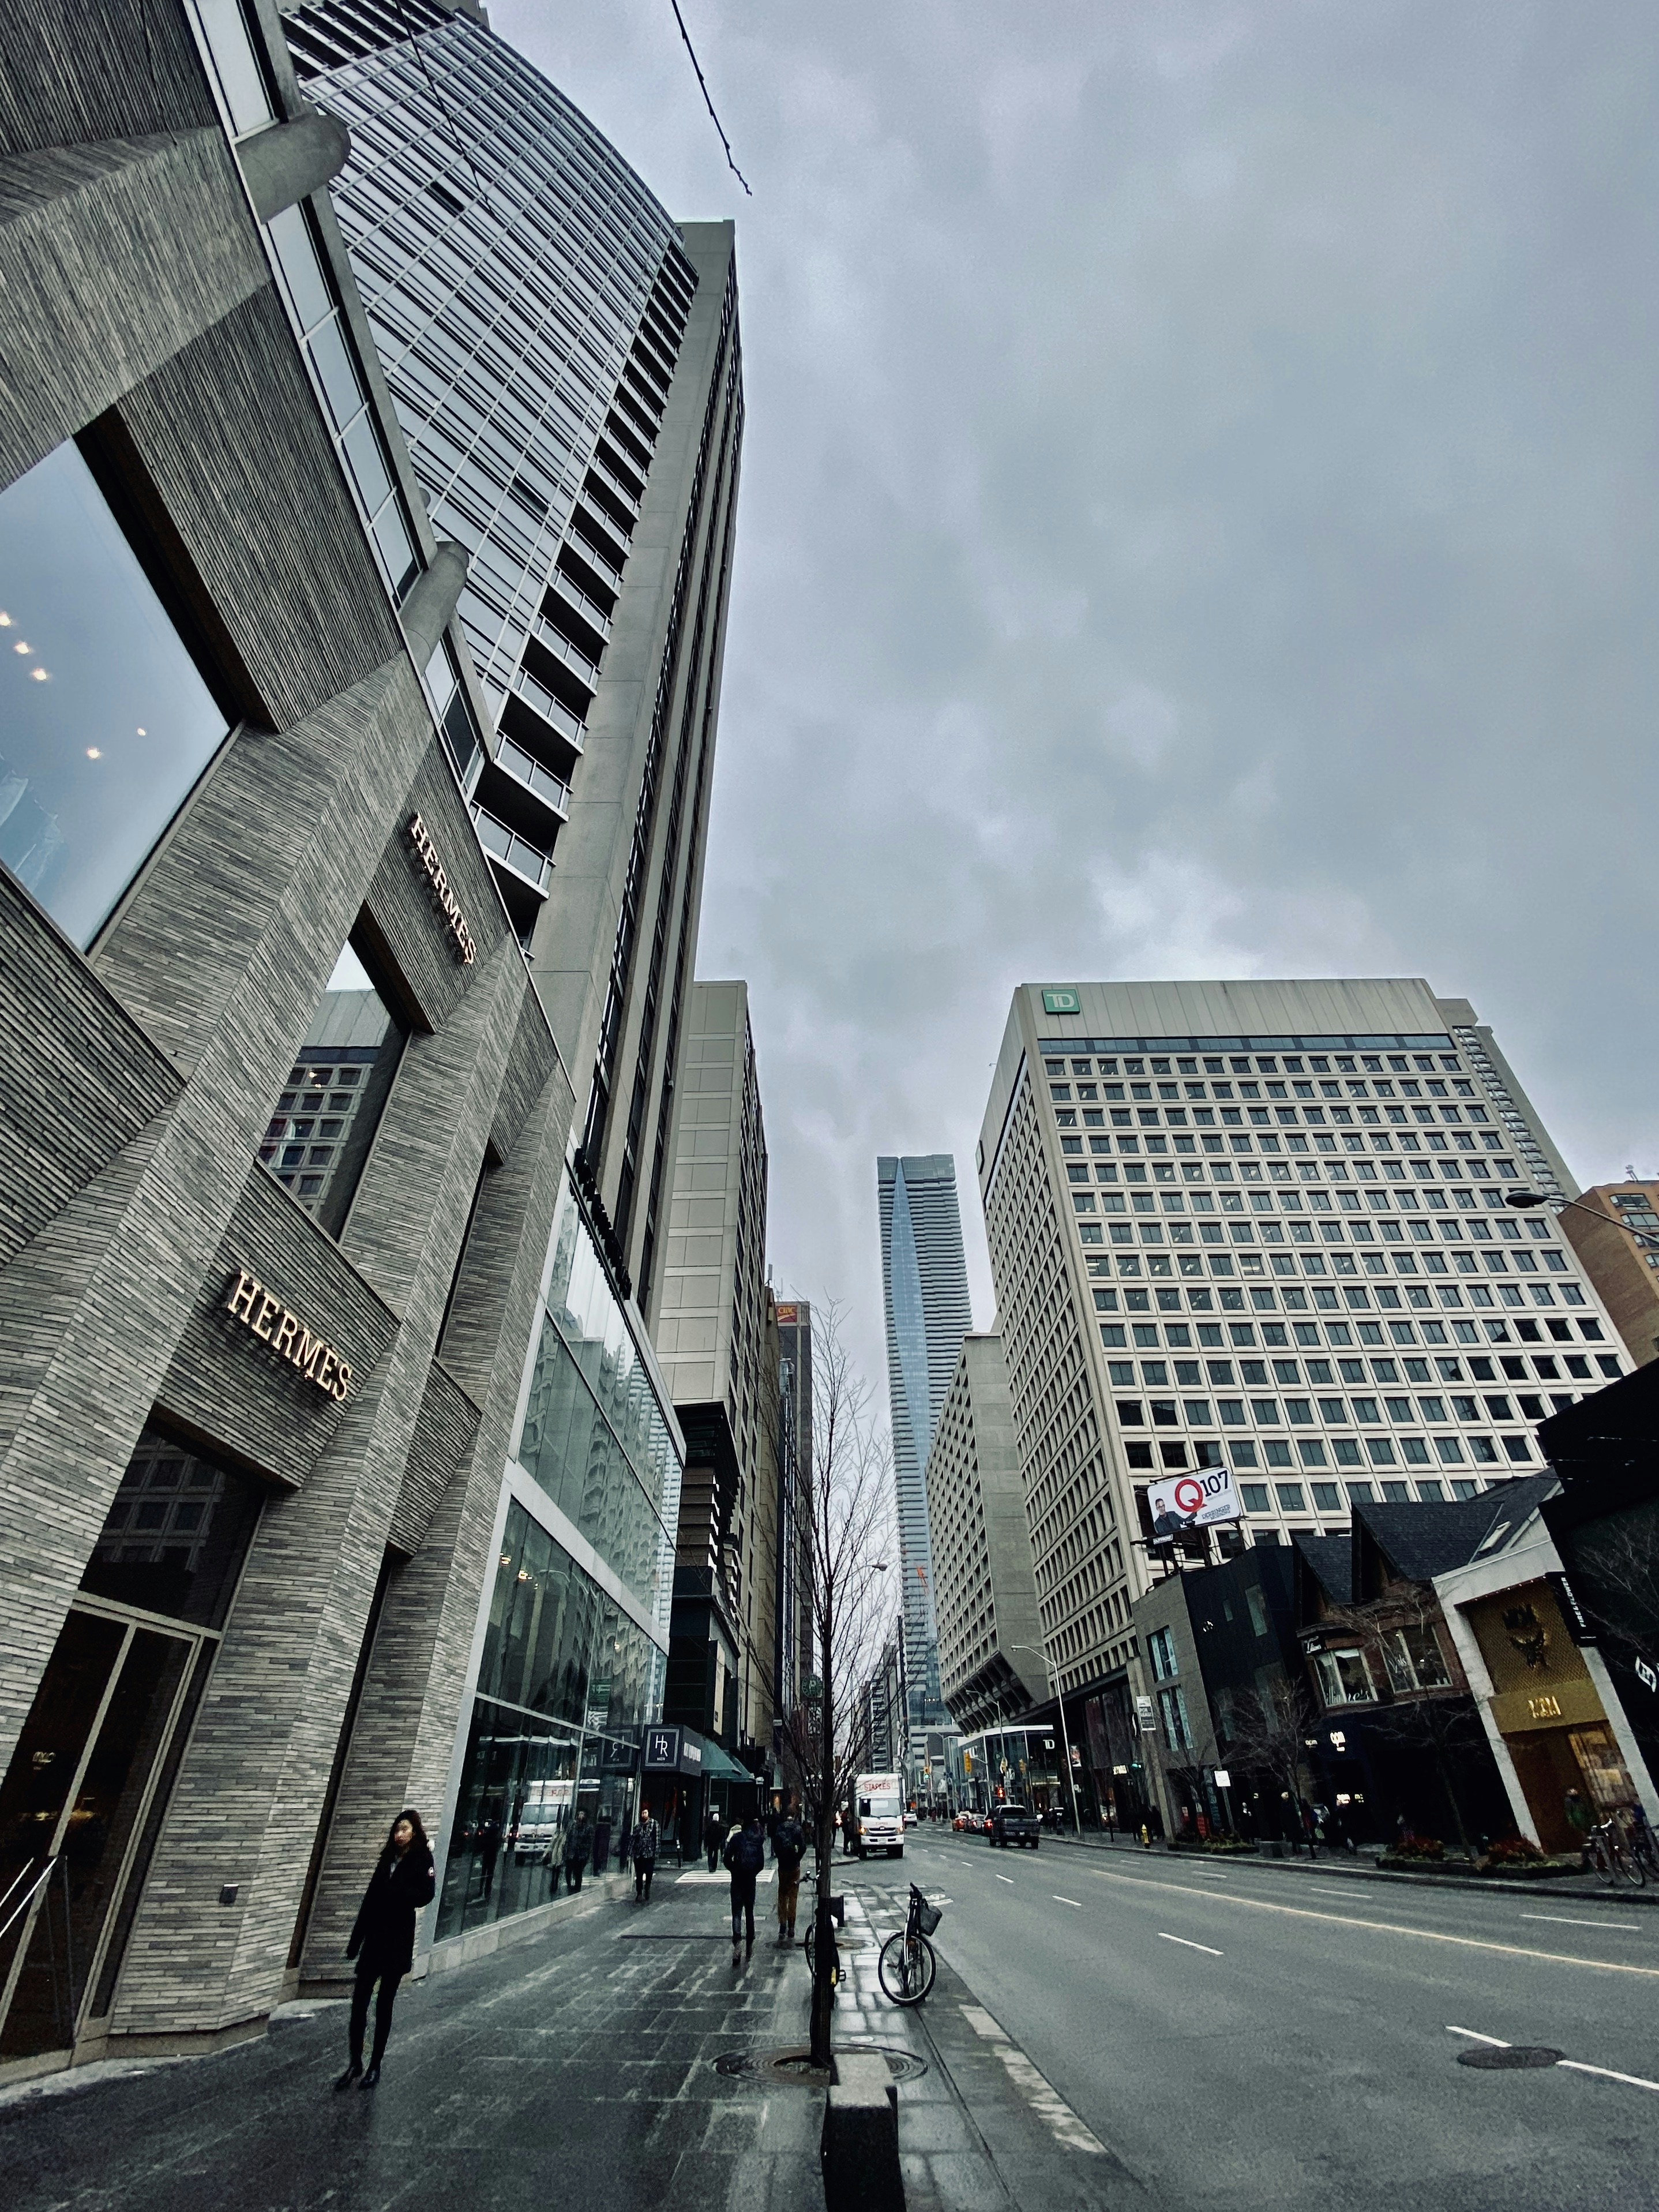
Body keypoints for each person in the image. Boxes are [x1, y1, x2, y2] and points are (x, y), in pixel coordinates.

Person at [336, 1808, 434, 2091]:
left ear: (414, 1831)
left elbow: (427, 1894)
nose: (399, 1834)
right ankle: (355, 2061)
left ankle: (375, 2064)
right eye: (396, 1829)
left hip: (397, 1941)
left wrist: (400, 1894)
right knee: (359, 2004)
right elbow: (369, 1900)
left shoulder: (422, 1859)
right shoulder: (386, 1860)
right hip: (374, 1940)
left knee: (384, 2005)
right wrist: (356, 1941)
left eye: (404, 1829)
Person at [724, 1811, 765, 1964]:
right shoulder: (757, 1841)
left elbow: (726, 1858)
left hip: (737, 1879)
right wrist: (753, 1872)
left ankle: (738, 1944)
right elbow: (761, 1864)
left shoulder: (736, 1839)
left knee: (736, 1913)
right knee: (749, 1912)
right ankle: (750, 1944)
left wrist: (734, 1869)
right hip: (750, 1880)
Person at [772, 1800, 805, 1945]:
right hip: (794, 1866)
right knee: (793, 1896)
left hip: (782, 1866)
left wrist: (780, 1857)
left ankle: (782, 1924)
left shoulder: (780, 1829)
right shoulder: (797, 1829)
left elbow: (775, 1846)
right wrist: (797, 1858)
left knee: (782, 1894)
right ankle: (791, 1925)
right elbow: (803, 1847)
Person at [632, 1806, 660, 1902]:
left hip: (649, 1854)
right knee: (639, 1874)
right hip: (639, 1854)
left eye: (646, 1813)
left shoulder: (654, 1824)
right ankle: (639, 1892)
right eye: (642, 1813)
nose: (644, 1815)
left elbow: (656, 1839)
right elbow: (633, 1840)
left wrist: (656, 1853)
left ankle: (647, 1889)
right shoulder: (637, 1826)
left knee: (649, 1873)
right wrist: (630, 1852)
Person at [564, 1809, 592, 1892]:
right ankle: (569, 1886)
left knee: (578, 1873)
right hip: (571, 1853)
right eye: (580, 1815)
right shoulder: (572, 1827)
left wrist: (585, 1851)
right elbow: (568, 1839)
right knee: (568, 1871)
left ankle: (577, 1888)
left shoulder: (587, 1829)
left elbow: (589, 1843)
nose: (581, 1817)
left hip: (581, 1855)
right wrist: (566, 1850)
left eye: (582, 1815)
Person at [704, 1807, 724, 1873]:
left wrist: (706, 1844)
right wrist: (721, 1843)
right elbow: (722, 1836)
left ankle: (710, 1866)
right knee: (716, 1855)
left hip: (710, 1843)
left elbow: (706, 1836)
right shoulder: (720, 1827)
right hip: (717, 1843)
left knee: (710, 1854)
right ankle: (714, 1867)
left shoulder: (709, 1827)